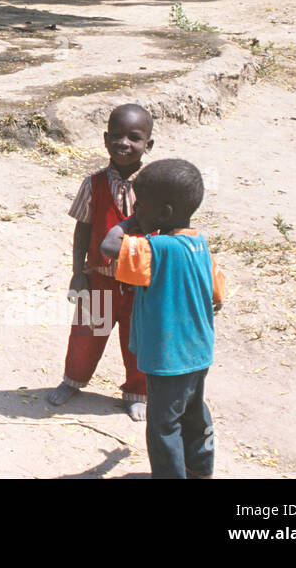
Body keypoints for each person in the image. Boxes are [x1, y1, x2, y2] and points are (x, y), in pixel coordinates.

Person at [100, 158, 226, 479]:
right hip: (199, 353)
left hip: (169, 360)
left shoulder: (156, 249)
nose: (136, 210)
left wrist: (131, 222)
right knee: (194, 415)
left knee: (163, 426)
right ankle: (199, 470)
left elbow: (109, 244)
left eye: (141, 205)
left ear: (165, 213)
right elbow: (217, 296)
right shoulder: (200, 244)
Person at [48, 103, 154, 420]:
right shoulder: (92, 184)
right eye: (117, 136)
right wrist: (78, 271)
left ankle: (138, 392)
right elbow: (83, 228)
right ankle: (73, 381)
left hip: (142, 283)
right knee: (86, 335)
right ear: (105, 139)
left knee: (138, 342)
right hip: (99, 278)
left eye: (134, 137)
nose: (124, 143)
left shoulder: (155, 185)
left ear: (148, 145)